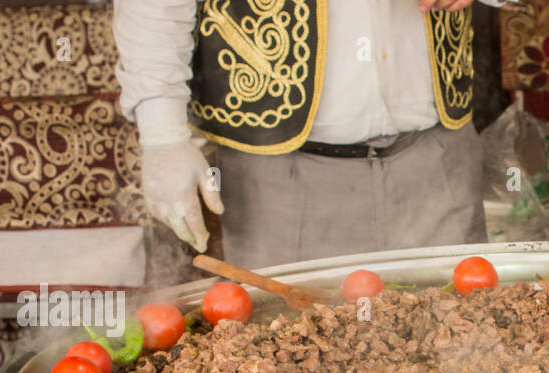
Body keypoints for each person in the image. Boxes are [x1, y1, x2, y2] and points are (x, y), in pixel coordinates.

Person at [113, 0, 498, 268]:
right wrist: (163, 134)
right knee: (288, 364)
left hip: (437, 158)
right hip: (278, 178)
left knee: (463, 357)